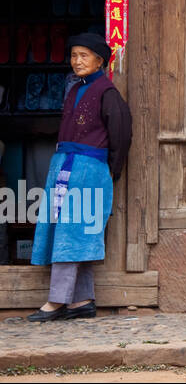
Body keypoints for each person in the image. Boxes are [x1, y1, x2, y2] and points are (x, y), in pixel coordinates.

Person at [27, 32, 132, 322]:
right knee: (76, 233)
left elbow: (121, 134)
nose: (77, 61)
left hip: (86, 170)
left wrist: (113, 169)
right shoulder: (74, 89)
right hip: (65, 167)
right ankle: (81, 301)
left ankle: (57, 300)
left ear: (100, 61)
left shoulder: (107, 93)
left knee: (71, 232)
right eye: (74, 55)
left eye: (84, 55)